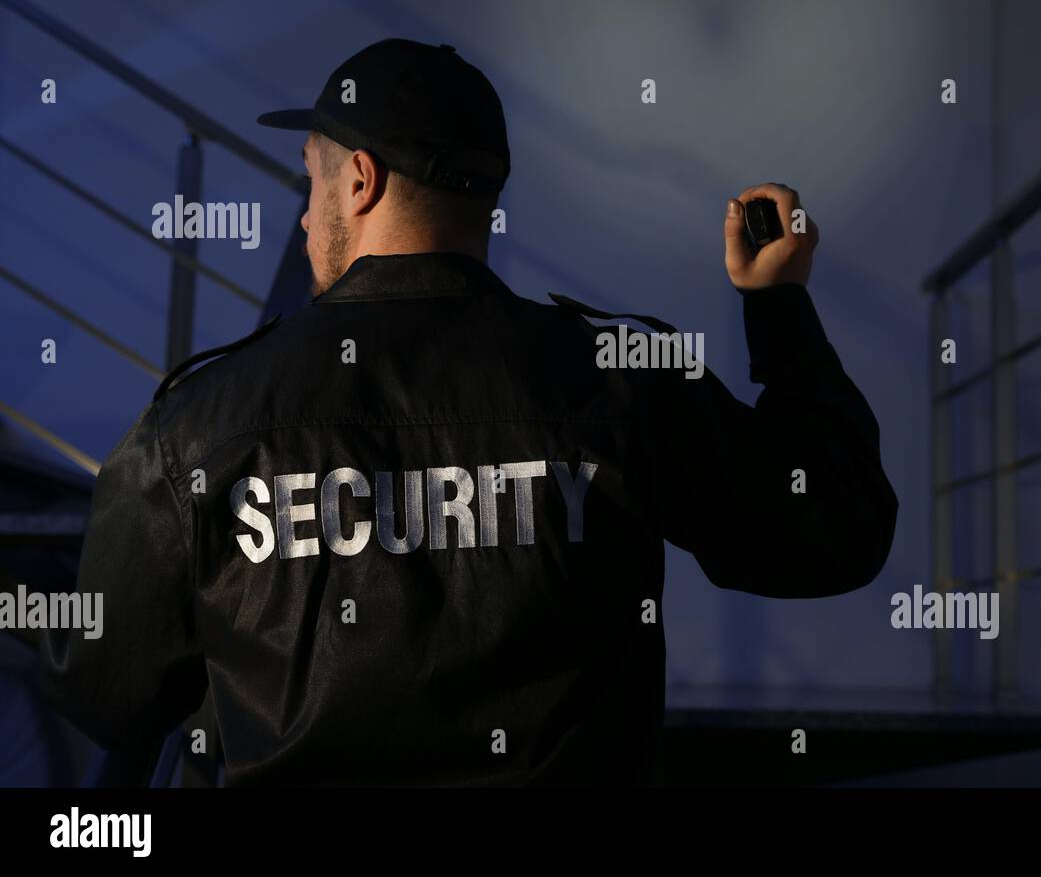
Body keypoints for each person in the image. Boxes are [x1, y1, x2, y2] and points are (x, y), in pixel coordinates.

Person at [41, 38, 898, 785]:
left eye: (313, 183)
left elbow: (107, 695)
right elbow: (836, 529)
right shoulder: (623, 377)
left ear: (363, 181)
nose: (305, 221)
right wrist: (777, 305)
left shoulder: (198, 424)